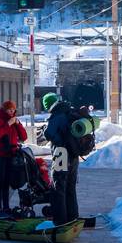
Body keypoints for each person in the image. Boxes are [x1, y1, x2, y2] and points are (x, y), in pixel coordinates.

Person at [42, 93, 80, 225]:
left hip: (61, 154)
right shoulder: (69, 111)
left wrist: (59, 142)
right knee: (70, 186)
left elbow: (49, 133)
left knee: (58, 187)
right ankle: (73, 217)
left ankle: (60, 221)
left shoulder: (56, 115)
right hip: (74, 154)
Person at [0, 98, 27, 217]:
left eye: (13, 110)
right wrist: (8, 124)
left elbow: (24, 137)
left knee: (6, 182)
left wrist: (18, 125)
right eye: (9, 110)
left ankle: (6, 207)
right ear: (4, 110)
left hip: (10, 155)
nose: (11, 112)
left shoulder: (13, 120)